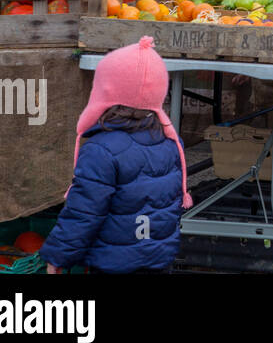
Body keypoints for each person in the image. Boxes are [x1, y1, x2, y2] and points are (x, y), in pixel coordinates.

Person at [40, 35, 189, 274]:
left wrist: (58, 256)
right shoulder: (171, 142)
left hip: (114, 264)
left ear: (104, 94)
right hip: (159, 260)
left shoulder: (100, 150)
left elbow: (84, 212)